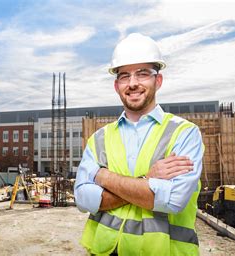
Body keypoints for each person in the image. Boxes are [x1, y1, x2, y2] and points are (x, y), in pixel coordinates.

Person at [74, 33, 204, 255]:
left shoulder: (184, 133)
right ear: (117, 85)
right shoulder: (99, 138)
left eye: (142, 74)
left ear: (158, 80)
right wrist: (147, 182)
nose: (132, 83)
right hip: (105, 250)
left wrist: (104, 177)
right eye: (124, 76)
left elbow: (172, 201)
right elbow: (83, 199)